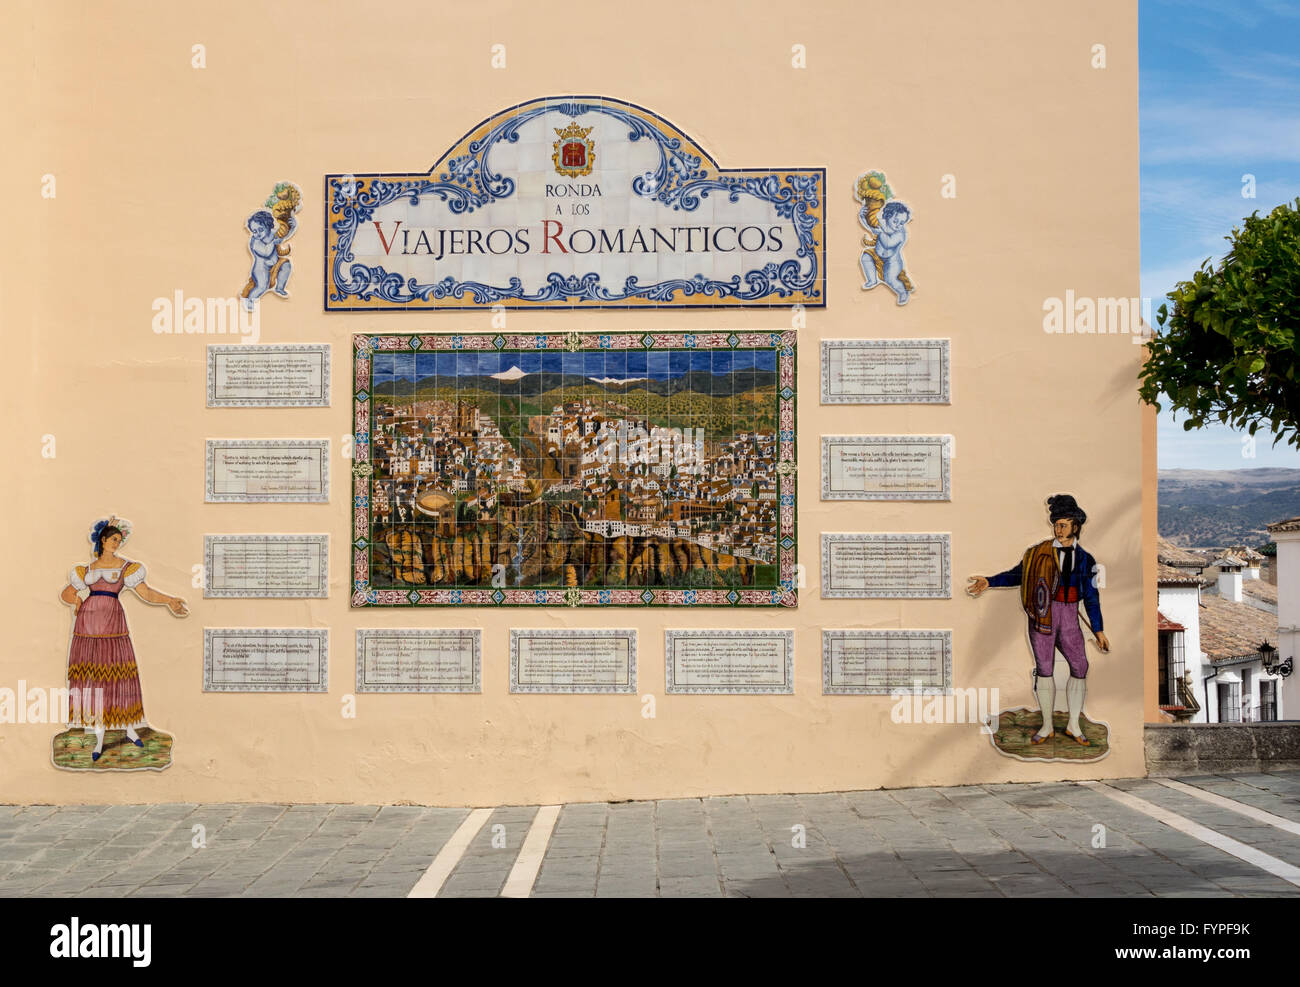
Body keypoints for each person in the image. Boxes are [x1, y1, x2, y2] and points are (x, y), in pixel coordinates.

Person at [967, 495, 1110, 746]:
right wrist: (990, 581)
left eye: (1064, 524)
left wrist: (1098, 630)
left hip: (1069, 617)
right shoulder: (1036, 554)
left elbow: (1091, 596)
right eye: (1056, 524)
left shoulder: (1086, 559)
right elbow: (1016, 575)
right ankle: (1046, 726)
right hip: (1042, 614)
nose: (1058, 529)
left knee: (1080, 667)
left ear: (1075, 526)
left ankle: (1074, 725)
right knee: (1045, 670)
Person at [59, 517, 188, 762]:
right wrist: (76, 600)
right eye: (114, 539)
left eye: (120, 540)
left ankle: (129, 727)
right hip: (87, 627)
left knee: (118, 676)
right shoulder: (85, 570)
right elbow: (67, 592)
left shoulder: (127, 567)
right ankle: (98, 735)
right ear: (103, 540)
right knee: (94, 678)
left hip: (113, 626)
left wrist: (170, 600)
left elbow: (147, 593)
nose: (117, 544)